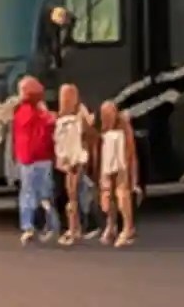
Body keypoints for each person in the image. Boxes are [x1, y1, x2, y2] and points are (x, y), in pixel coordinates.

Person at [12, 75, 59, 245]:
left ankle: (28, 226)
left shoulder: (19, 112)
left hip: (27, 160)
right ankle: (51, 225)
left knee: (28, 193)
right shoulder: (41, 113)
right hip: (42, 158)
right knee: (44, 194)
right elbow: (50, 124)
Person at [52, 83, 93, 245]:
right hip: (66, 158)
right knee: (71, 194)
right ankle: (75, 228)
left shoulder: (79, 113)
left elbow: (85, 133)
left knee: (74, 195)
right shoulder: (60, 115)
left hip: (75, 158)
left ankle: (75, 228)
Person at [96, 100, 137, 248]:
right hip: (108, 166)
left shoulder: (124, 127)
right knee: (108, 197)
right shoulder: (104, 129)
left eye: (109, 113)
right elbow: (100, 151)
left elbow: (130, 151)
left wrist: (131, 172)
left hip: (121, 165)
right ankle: (111, 225)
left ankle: (128, 228)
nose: (106, 116)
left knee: (122, 195)